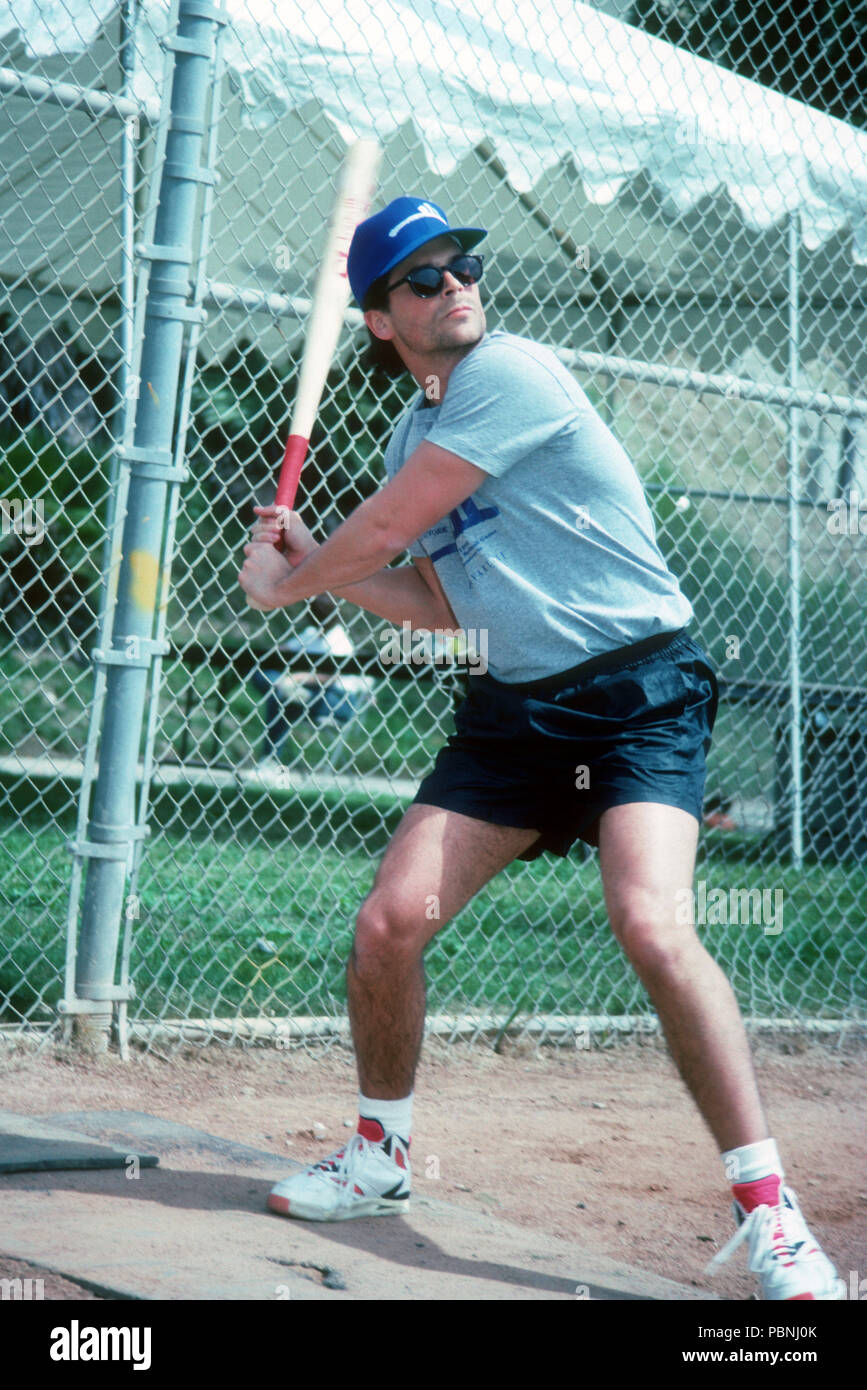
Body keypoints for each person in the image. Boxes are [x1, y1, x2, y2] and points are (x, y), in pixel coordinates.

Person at [238, 197, 843, 1300]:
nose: (454, 283)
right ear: (380, 319)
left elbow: (381, 531)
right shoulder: (411, 433)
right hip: (513, 715)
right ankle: (378, 1156)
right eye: (421, 279)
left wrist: (296, 581)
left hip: (639, 693)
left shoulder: (512, 375)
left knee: (652, 925)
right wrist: (320, 561)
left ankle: (774, 1220)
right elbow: (431, 594)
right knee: (388, 924)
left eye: (461, 263)